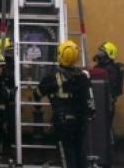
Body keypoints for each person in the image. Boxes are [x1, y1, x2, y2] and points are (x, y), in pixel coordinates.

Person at [35, 40, 95, 168]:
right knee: (80, 154)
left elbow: (38, 93)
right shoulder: (84, 76)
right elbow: (90, 101)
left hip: (63, 124)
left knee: (67, 157)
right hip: (80, 123)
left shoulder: (54, 76)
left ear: (60, 55)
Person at [90, 41, 124, 142]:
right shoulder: (100, 68)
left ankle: (109, 146)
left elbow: (107, 84)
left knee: (106, 125)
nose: (99, 54)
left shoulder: (112, 70)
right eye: (99, 51)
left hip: (107, 103)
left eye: (102, 52)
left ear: (108, 55)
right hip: (100, 101)